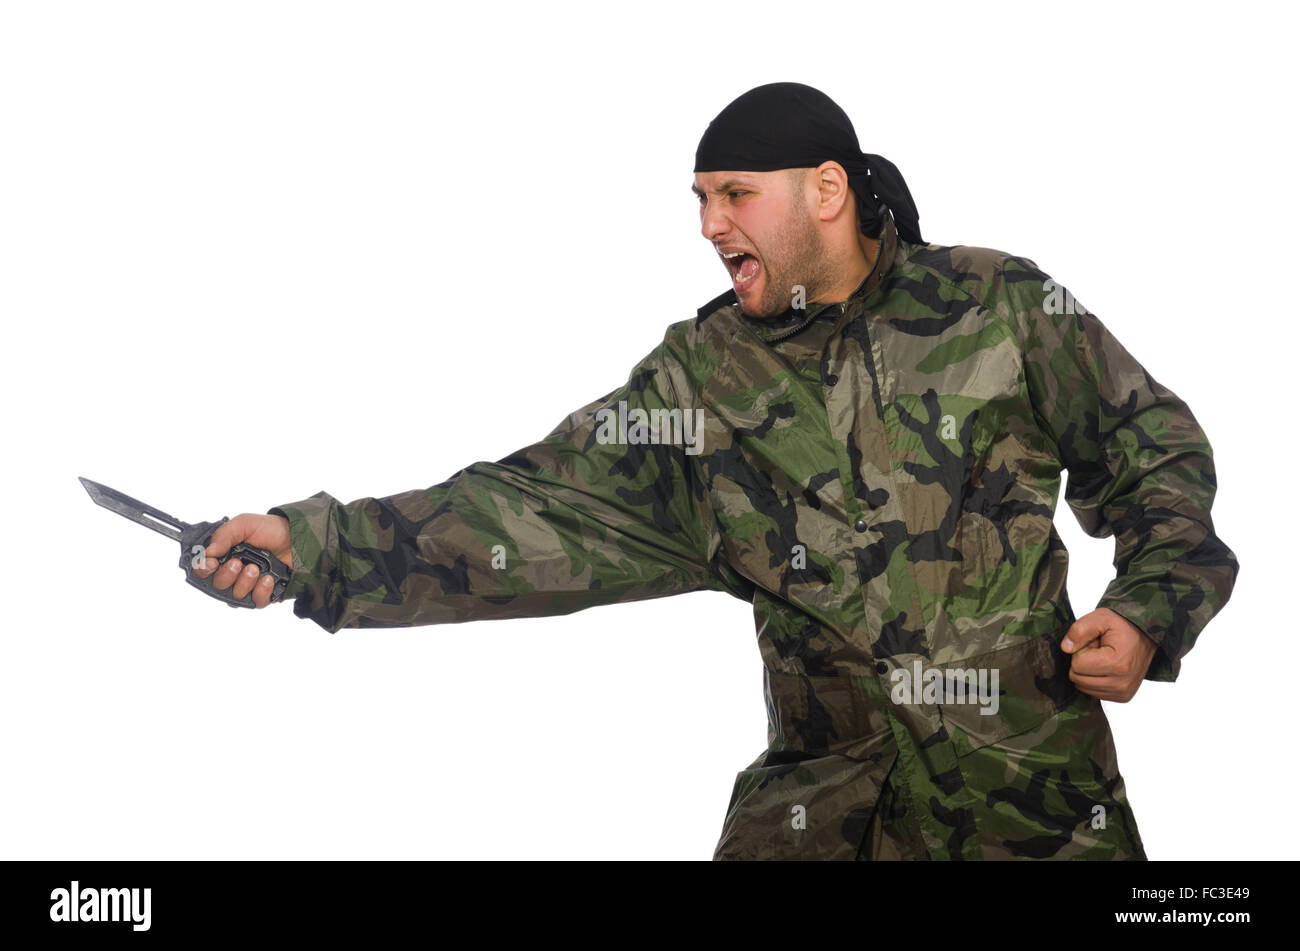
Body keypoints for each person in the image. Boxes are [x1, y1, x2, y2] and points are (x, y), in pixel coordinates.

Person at [193, 82, 1239, 860]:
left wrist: (1150, 610)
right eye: (699, 199)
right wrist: (316, 546)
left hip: (1037, 814)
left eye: (734, 194)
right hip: (815, 822)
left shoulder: (1001, 306)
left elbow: (1154, 452)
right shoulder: (702, 379)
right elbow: (537, 506)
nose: (708, 226)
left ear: (827, 191)